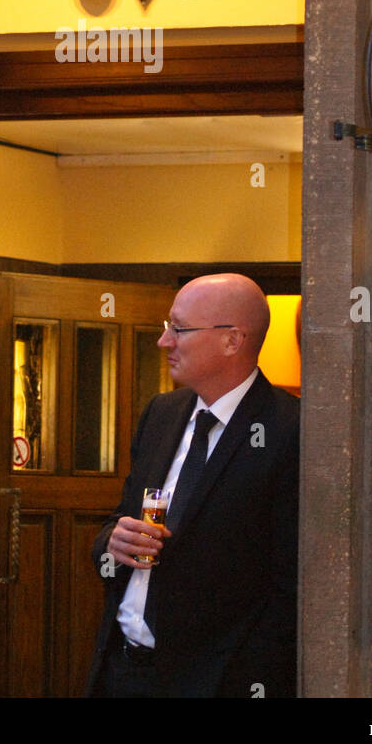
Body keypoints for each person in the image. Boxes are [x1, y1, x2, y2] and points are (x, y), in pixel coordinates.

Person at [86, 272, 299, 698]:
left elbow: (292, 584)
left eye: (178, 329)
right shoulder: (161, 413)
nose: (164, 341)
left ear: (232, 340)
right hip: (123, 671)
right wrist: (113, 542)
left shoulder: (291, 429)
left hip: (217, 682)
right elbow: (117, 525)